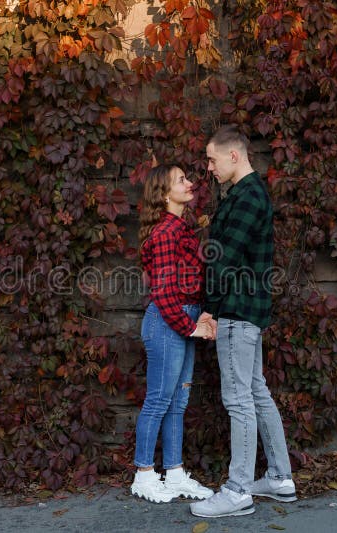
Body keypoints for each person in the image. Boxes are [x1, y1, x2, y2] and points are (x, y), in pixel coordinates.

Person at [190, 125, 297, 518]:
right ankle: (280, 477)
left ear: (234, 155)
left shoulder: (247, 196)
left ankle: (237, 491)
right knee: (255, 391)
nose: (209, 168)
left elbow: (225, 259)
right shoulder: (246, 194)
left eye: (212, 160)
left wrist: (210, 309)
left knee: (238, 399)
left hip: (236, 310)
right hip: (246, 309)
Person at [131, 164, 216, 504]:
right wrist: (191, 327)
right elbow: (165, 293)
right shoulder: (166, 232)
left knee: (178, 402)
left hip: (183, 320)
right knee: (158, 400)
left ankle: (175, 472)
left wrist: (200, 317)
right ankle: (143, 475)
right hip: (168, 323)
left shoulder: (180, 228)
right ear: (165, 194)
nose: (190, 183)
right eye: (182, 180)